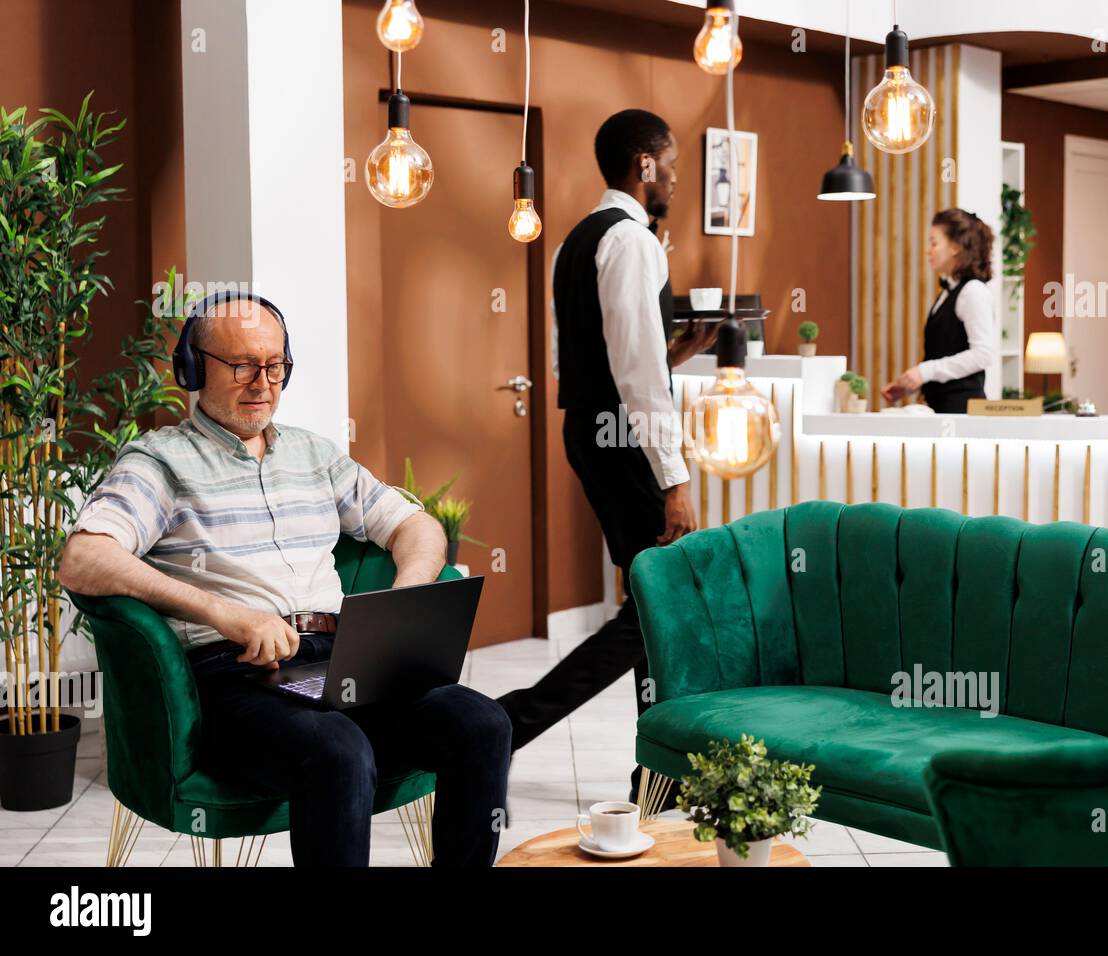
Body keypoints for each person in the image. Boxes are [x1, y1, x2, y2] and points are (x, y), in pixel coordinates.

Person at [57, 291, 511, 867]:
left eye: (276, 367)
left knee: (481, 723)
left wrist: (405, 597)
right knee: (339, 750)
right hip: (238, 678)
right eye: (243, 365)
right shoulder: (158, 462)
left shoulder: (315, 455)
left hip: (346, 662)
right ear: (193, 369)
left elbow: (416, 527)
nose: (263, 383)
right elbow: (84, 559)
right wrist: (225, 613)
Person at [496, 109, 716, 801]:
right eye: (672, 160)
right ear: (644, 163)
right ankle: (510, 722)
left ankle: (657, 776)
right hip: (624, 438)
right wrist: (674, 479)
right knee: (659, 598)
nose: (677, 175)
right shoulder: (631, 240)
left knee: (651, 601)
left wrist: (675, 351)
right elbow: (638, 372)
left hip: (592, 430)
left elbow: (595, 355)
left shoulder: (574, 241)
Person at [881, 208, 997, 412]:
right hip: (943, 408)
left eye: (934, 243)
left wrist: (924, 372)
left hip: (964, 411)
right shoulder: (947, 292)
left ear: (955, 247)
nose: (928, 250)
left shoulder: (973, 291)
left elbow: (983, 354)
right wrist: (912, 383)